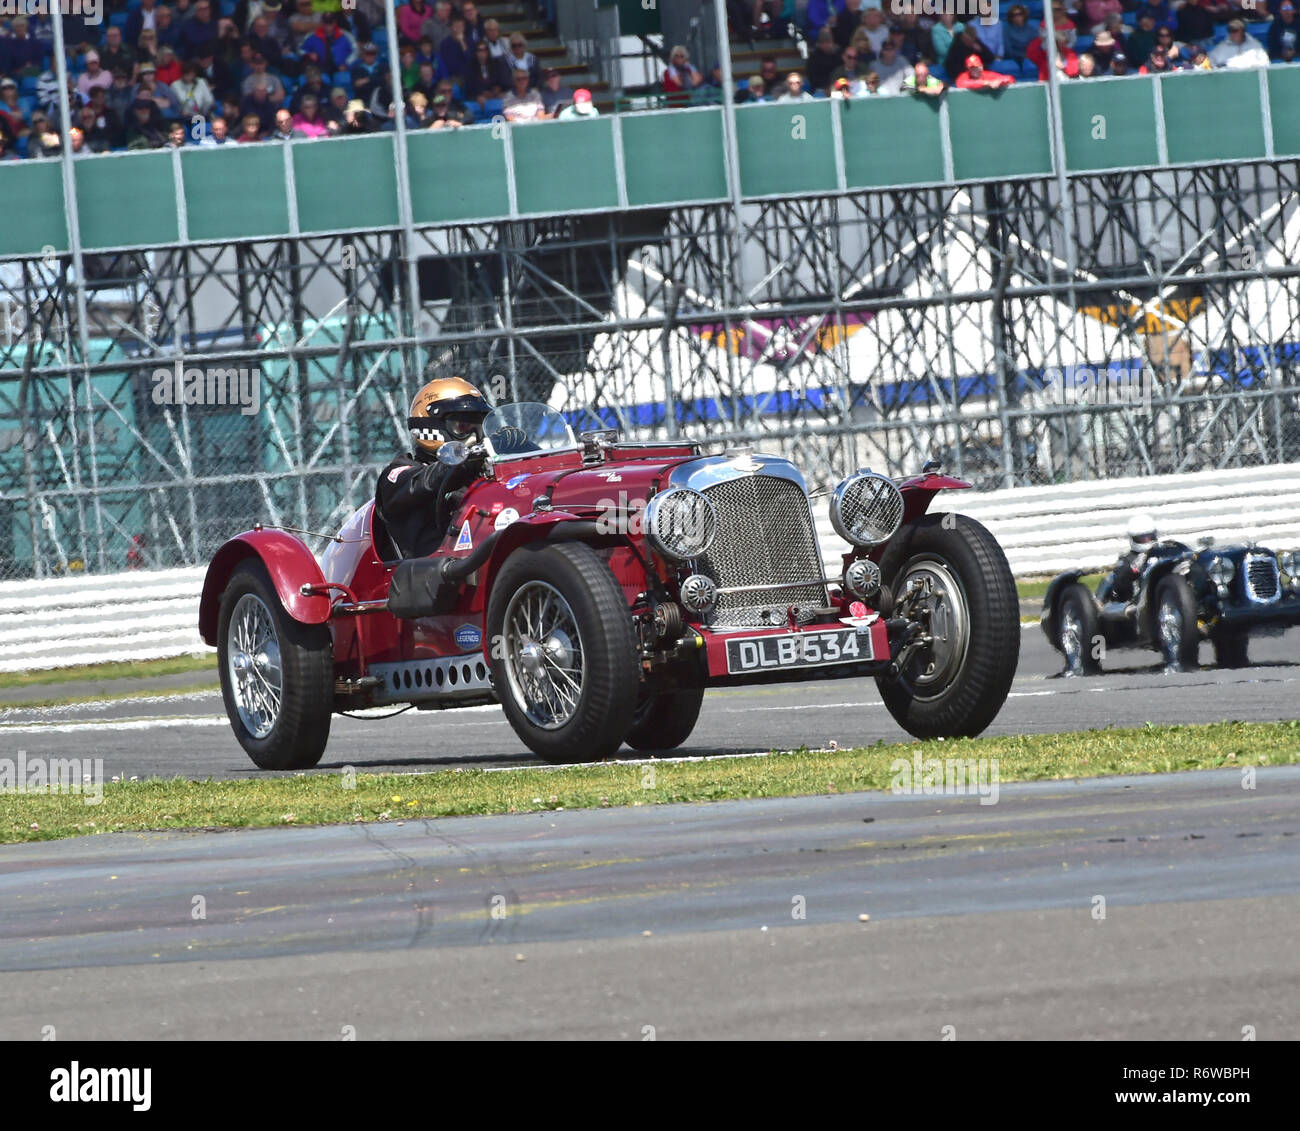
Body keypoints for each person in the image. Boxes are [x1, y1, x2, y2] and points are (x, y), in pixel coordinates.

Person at [375, 377, 494, 560]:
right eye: (463, 427)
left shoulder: (480, 471)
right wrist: (459, 463)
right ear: (430, 427)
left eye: (479, 427)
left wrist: (522, 448)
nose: (475, 437)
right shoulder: (399, 474)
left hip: (479, 558)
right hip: (429, 576)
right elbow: (419, 482)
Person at [1104, 513, 1159, 603]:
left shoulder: (1160, 552)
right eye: (1142, 538)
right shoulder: (1127, 559)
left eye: (1150, 536)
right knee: (1111, 576)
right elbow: (1120, 580)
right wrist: (1134, 568)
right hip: (1132, 597)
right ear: (1133, 538)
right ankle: (1098, 601)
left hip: (1157, 591)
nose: (1147, 540)